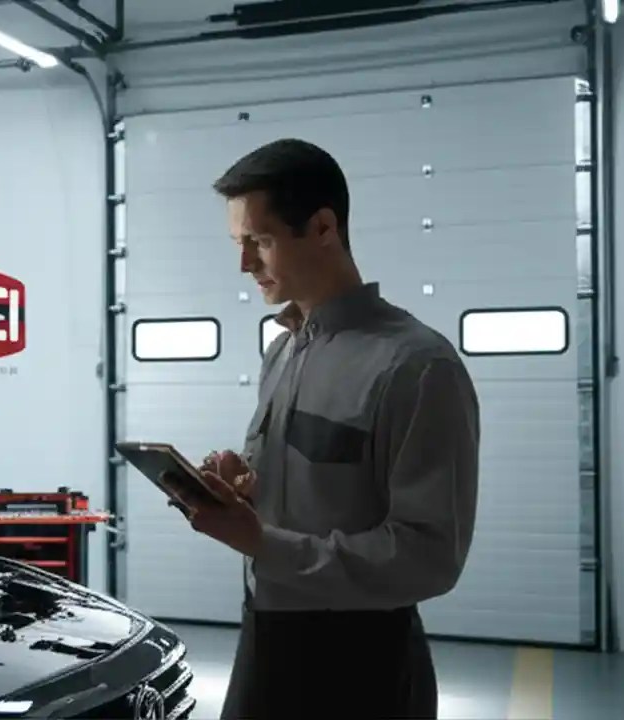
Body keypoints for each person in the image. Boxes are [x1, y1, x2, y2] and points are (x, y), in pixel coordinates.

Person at [182, 138, 480, 719]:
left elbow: (428, 557)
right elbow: (303, 489)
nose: (244, 264)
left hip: (360, 665)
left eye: (260, 241)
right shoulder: (284, 348)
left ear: (322, 227)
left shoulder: (416, 367)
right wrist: (244, 484)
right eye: (238, 243)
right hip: (265, 642)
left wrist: (260, 541)